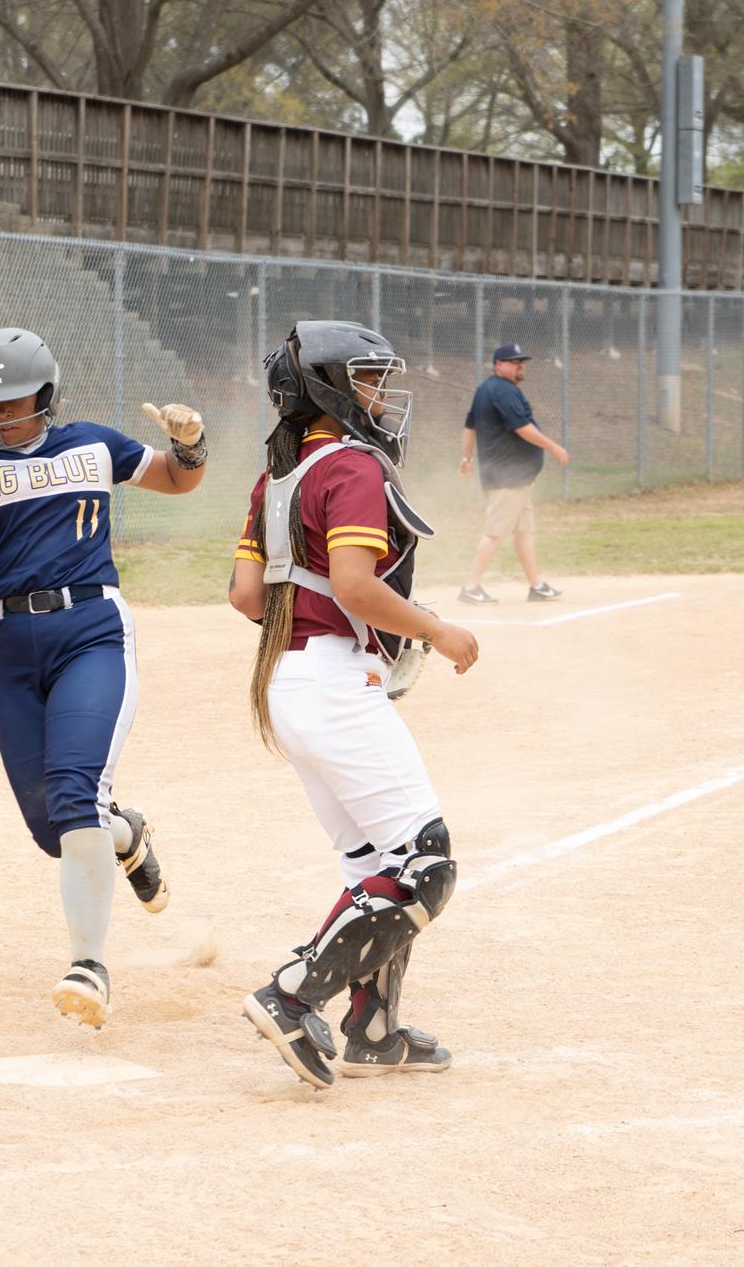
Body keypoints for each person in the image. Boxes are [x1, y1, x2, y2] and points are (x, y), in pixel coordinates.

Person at [0, 326, 208, 1029]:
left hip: (91, 631)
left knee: (75, 792)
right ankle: (127, 835)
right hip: (10, 644)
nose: (4, 416)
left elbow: (176, 477)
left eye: (17, 401)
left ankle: (88, 964)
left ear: (46, 394)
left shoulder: (92, 444)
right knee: (57, 829)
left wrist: (191, 444)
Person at [227, 320, 480, 1091]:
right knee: (425, 865)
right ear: (330, 389)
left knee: (376, 860)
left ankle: (374, 1027)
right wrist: (436, 629)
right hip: (334, 685)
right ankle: (293, 993)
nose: (380, 394)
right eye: (367, 380)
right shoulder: (353, 470)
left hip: (293, 684)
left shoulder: (276, 479)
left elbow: (246, 597)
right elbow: (354, 584)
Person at [458, 341, 570, 605]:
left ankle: (536, 586)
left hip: (514, 477)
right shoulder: (504, 391)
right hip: (508, 476)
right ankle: (471, 587)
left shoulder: (487, 389)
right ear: (498, 365)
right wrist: (554, 447)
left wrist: (466, 457)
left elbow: (469, 426)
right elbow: (521, 427)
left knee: (524, 532)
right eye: (513, 361)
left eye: (522, 362)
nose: (520, 366)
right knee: (495, 533)